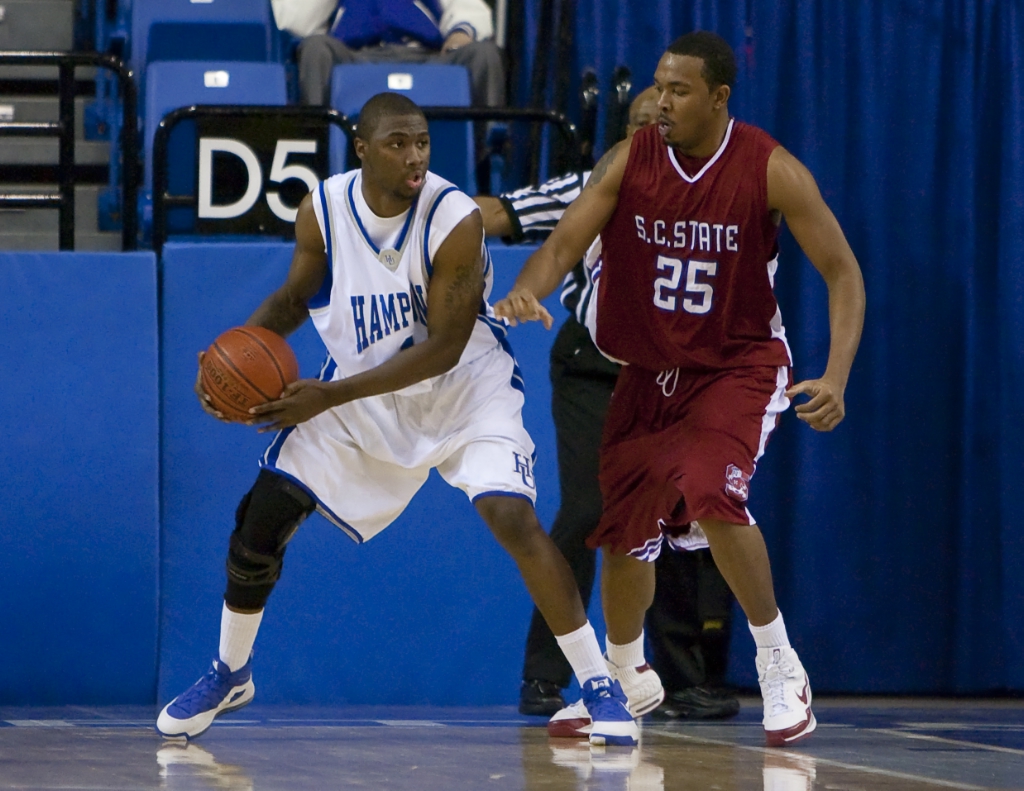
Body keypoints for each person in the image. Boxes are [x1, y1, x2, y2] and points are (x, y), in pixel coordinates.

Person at [156, 92, 641, 747]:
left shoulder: (455, 218)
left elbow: (442, 347)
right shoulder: (322, 210)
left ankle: (599, 685)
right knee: (262, 517)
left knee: (512, 515)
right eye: (397, 144)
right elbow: (295, 297)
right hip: (365, 396)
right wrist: (226, 352)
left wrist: (325, 397)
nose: (415, 156)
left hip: (467, 390)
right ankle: (230, 670)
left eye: (422, 143)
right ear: (361, 148)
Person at [494, 31, 865, 747]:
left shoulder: (769, 168)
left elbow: (843, 270)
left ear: (720, 97)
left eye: (680, 90)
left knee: (709, 487)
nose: (662, 102)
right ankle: (627, 675)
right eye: (659, 87)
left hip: (737, 366)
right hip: (647, 371)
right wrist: (526, 291)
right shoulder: (630, 159)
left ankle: (780, 662)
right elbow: (564, 242)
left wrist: (838, 374)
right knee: (621, 529)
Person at [475, 86, 741, 724]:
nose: (652, 132)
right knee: (592, 508)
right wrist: (422, 209)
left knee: (677, 516)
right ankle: (548, 674)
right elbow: (499, 213)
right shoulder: (593, 181)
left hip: (676, 372)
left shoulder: (708, 193)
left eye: (662, 122)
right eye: (639, 123)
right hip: (594, 369)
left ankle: (678, 681)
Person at [271, 0, 504, 110]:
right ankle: (318, 148)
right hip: (356, 58)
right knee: (315, 48)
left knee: (483, 54)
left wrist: (462, 31)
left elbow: (470, 8)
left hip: (427, 57)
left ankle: (489, 157)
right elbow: (291, 20)